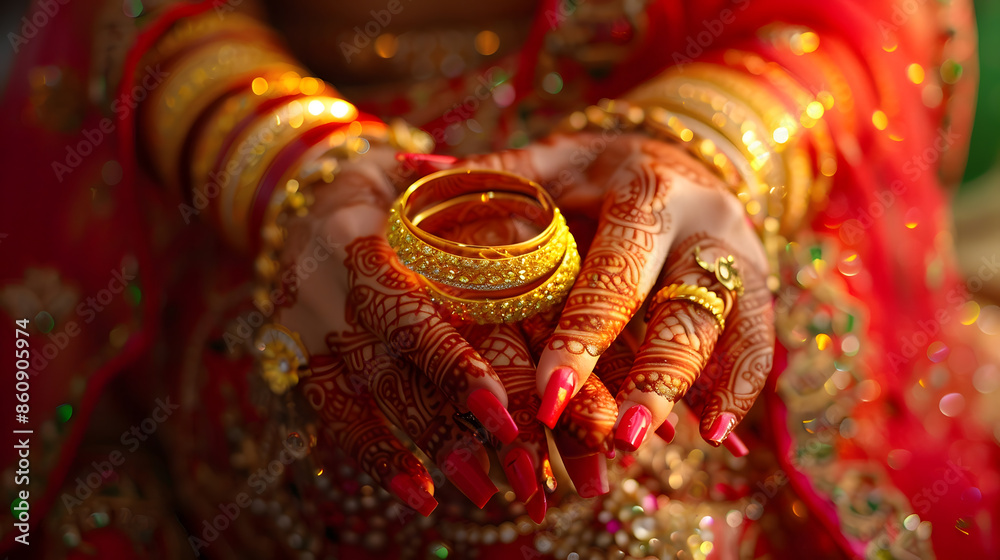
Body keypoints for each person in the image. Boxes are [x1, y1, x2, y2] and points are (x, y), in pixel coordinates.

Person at [0, 0, 995, 558]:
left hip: (705, 164)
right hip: (277, 213)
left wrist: (710, 144)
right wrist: (284, 164)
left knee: (663, 461)